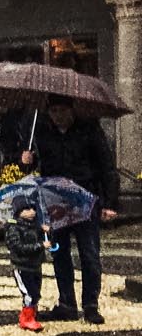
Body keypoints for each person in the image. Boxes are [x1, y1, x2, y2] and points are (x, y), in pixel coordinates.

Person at [22, 98, 119, 324]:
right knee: (59, 253)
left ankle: (90, 304)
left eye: (62, 111)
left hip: (85, 199)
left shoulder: (89, 130)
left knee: (90, 253)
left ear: (71, 110)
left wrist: (110, 202)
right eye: (53, 111)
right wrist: (27, 161)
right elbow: (38, 167)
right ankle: (67, 303)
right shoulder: (44, 133)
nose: (57, 116)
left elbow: (106, 165)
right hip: (57, 202)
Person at [3, 202, 51, 334]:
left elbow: (44, 241)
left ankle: (32, 313)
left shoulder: (35, 226)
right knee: (29, 293)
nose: (32, 212)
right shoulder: (14, 228)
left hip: (35, 265)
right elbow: (18, 248)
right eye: (27, 209)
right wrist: (40, 245)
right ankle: (27, 318)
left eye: (33, 209)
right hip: (22, 266)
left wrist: (45, 232)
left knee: (35, 291)